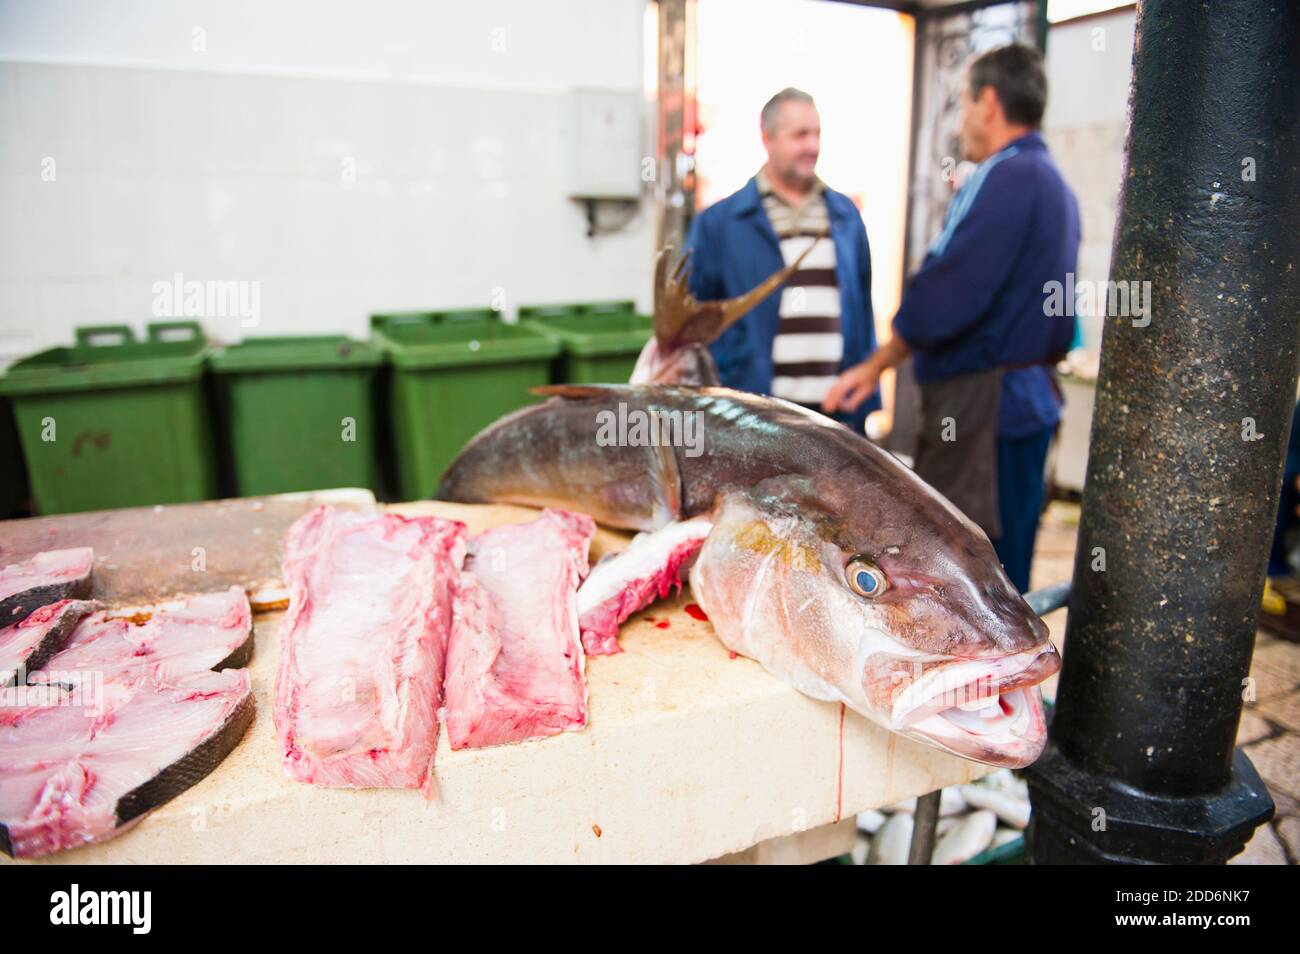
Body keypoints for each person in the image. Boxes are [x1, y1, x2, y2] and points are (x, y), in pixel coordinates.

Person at [823, 43, 1080, 593]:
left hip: (988, 412)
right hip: (1013, 403)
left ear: (988, 101)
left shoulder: (1011, 177)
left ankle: (989, 679)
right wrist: (877, 369)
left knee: (973, 571)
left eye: (965, 101)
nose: (962, 116)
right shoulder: (1045, 178)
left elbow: (948, 293)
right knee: (998, 563)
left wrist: (879, 359)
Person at [682, 87, 880, 432]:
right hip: (754, 416)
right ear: (767, 138)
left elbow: (862, 307)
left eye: (817, 134)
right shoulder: (720, 223)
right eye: (800, 135)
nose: (812, 146)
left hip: (836, 413)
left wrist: (868, 394)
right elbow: (693, 324)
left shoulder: (845, 215)